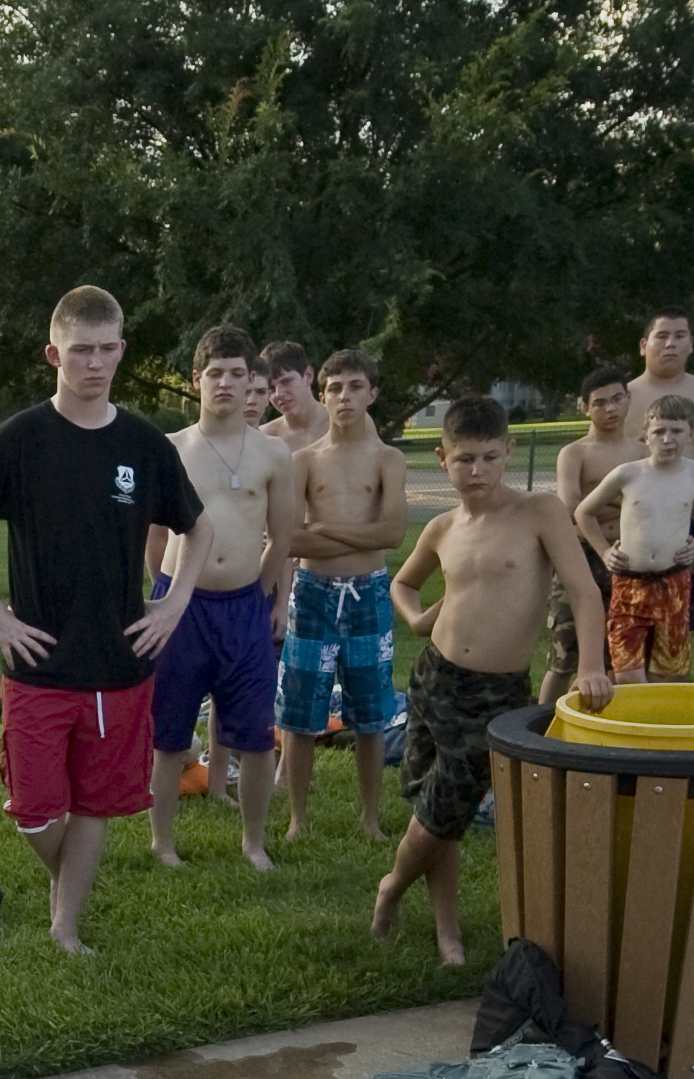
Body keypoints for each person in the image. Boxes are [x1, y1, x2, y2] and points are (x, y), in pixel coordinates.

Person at [0, 286, 207, 955]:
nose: (94, 363)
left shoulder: (143, 444)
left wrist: (174, 603)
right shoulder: (19, 440)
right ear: (54, 354)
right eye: (80, 351)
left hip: (120, 663)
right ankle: (68, 884)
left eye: (106, 349)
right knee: (34, 812)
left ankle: (65, 926)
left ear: (122, 350)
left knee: (97, 805)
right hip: (38, 666)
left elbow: (201, 528)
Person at [375, 397, 610, 964]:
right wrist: (417, 618)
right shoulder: (442, 527)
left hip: (496, 692)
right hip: (435, 679)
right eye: (463, 459)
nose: (476, 470)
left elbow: (585, 592)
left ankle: (391, 887)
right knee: (439, 811)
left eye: (488, 457)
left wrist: (590, 667)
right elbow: (402, 584)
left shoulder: (540, 512)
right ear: (443, 459)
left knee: (441, 812)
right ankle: (446, 929)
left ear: (508, 451)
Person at [152, 326, 305, 871]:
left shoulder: (273, 453)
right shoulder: (171, 448)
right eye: (214, 373)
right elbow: (154, 535)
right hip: (181, 606)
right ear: (196, 380)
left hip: (243, 606)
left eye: (236, 373)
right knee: (169, 736)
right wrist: (165, 597)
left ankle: (253, 843)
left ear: (250, 382)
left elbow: (283, 538)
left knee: (257, 737)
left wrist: (258, 596)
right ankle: (163, 843)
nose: (225, 383)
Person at [273, 349, 410, 847]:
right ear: (323, 394)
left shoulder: (388, 459)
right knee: (299, 712)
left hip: (368, 593)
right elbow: (290, 538)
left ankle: (370, 816)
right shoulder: (304, 461)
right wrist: (354, 537)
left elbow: (392, 534)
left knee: (371, 713)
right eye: (334, 388)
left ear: (373, 393)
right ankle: (298, 818)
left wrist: (325, 528)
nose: (344, 397)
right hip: (312, 595)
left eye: (355, 387)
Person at [581, 397, 694, 684]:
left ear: (691, 434)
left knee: (670, 673)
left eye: (676, 431)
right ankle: (633, 712)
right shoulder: (628, 474)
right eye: (659, 431)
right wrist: (604, 552)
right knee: (627, 673)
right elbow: (584, 512)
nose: (667, 439)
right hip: (630, 583)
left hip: (673, 581)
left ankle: (664, 712)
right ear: (645, 435)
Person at [616, 313, 694, 633]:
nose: (671, 343)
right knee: (628, 629)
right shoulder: (622, 397)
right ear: (643, 345)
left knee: (679, 628)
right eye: (662, 336)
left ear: (691, 344)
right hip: (632, 526)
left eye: (680, 335)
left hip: (689, 527)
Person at [535, 365, 635, 702]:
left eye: (617, 399)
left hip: (629, 558)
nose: (610, 409)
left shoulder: (641, 452)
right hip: (581, 557)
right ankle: (543, 721)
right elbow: (571, 507)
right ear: (586, 408)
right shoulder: (574, 453)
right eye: (601, 403)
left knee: (618, 653)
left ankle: (602, 720)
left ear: (628, 399)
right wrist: (620, 505)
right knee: (564, 655)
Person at [257, 342, 326, 449]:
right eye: (271, 388)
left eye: (286, 382)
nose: (279, 394)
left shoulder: (342, 425)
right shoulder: (264, 438)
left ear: (308, 375)